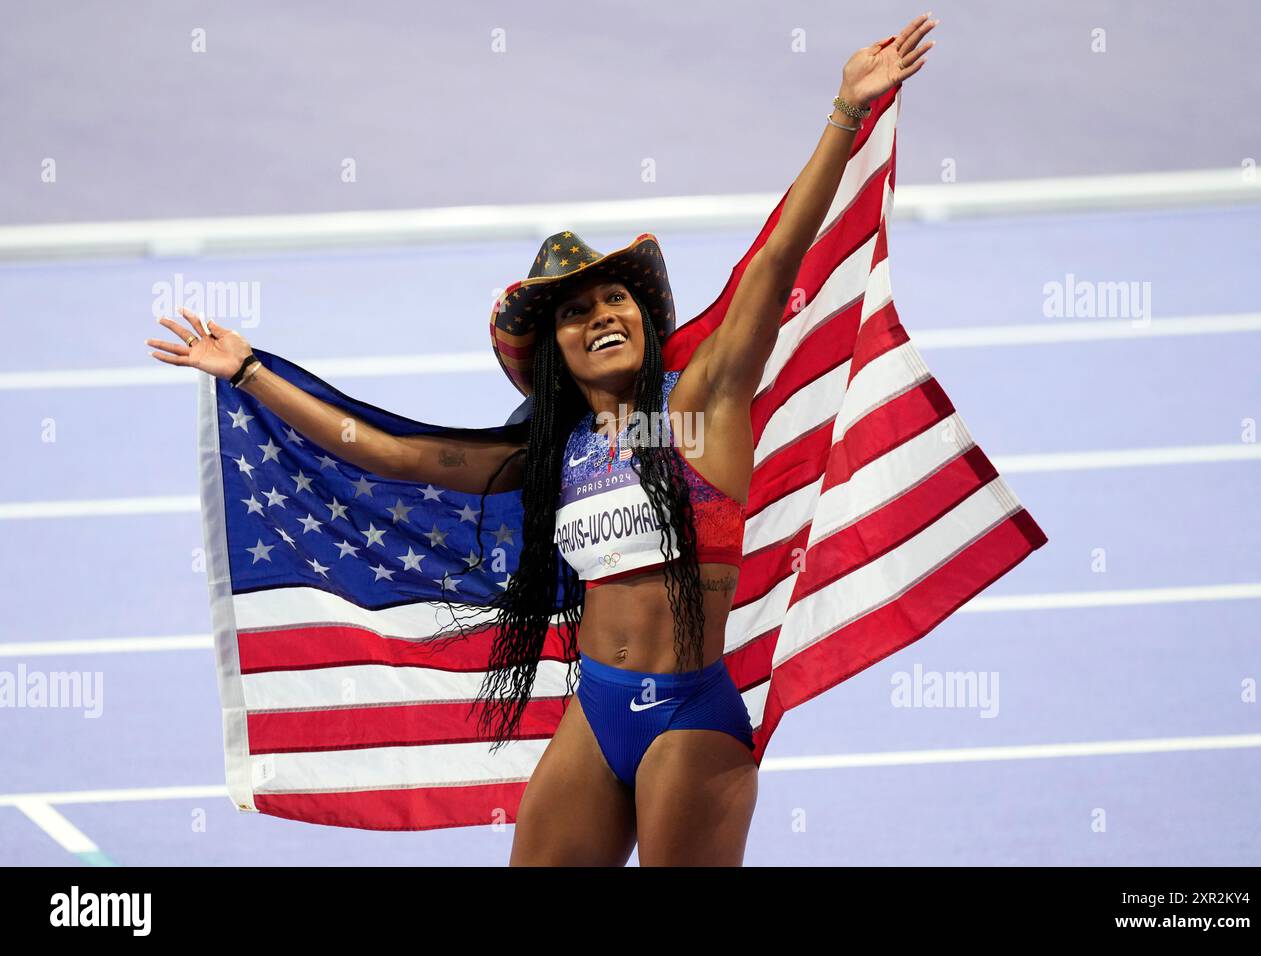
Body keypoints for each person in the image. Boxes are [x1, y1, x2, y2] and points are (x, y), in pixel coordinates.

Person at [146, 14, 937, 866]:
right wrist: (250, 373)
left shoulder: (701, 405)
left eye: (614, 301)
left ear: (643, 317)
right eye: (574, 312)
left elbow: (776, 262)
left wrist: (844, 114)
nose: (601, 315)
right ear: (553, 352)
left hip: (691, 720)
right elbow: (387, 452)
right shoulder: (552, 456)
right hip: (594, 715)